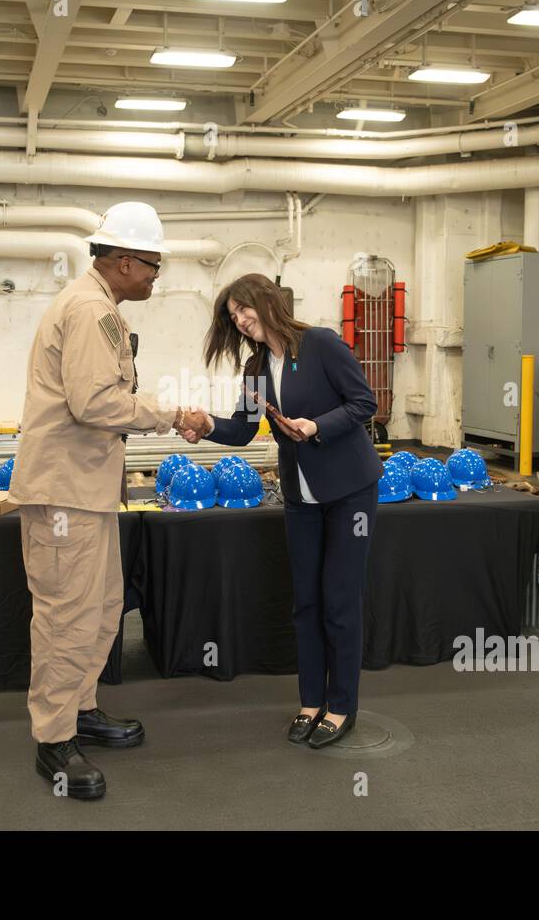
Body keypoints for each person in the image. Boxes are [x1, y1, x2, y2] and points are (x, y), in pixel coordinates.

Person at [10, 201, 204, 799]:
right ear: (121, 262)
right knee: (67, 614)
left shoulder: (100, 307)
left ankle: (81, 710)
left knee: (98, 608)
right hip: (65, 493)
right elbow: (95, 404)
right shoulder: (92, 310)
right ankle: (53, 740)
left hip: (85, 491)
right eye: (150, 265)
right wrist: (173, 414)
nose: (154, 276)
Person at [181, 273, 383, 748]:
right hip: (301, 498)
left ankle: (341, 705)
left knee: (338, 602)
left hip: (350, 491)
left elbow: (363, 403)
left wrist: (315, 425)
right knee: (306, 605)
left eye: (243, 308)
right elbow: (243, 430)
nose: (240, 320)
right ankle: (310, 701)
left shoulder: (321, 344)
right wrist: (207, 424)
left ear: (267, 301)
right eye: (232, 316)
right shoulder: (255, 369)